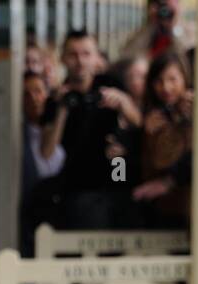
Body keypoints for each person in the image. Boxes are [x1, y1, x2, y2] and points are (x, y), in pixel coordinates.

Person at [40, 30, 142, 229]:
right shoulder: (57, 99)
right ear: (62, 58)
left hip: (117, 177)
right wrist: (62, 109)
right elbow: (47, 151)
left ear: (96, 57)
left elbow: (139, 123)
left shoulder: (111, 85)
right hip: (78, 189)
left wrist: (122, 103)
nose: (80, 61)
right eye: (73, 54)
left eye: (86, 54)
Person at [133, 50, 194, 228]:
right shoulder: (152, 116)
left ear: (185, 78)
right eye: (159, 81)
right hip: (159, 210)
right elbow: (157, 162)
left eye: (172, 80)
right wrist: (146, 133)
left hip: (188, 207)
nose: (166, 88)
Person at [19, 69, 66, 284]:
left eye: (38, 91)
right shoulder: (20, 135)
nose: (33, 99)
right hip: (32, 218)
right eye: (26, 94)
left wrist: (61, 113)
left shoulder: (60, 123)